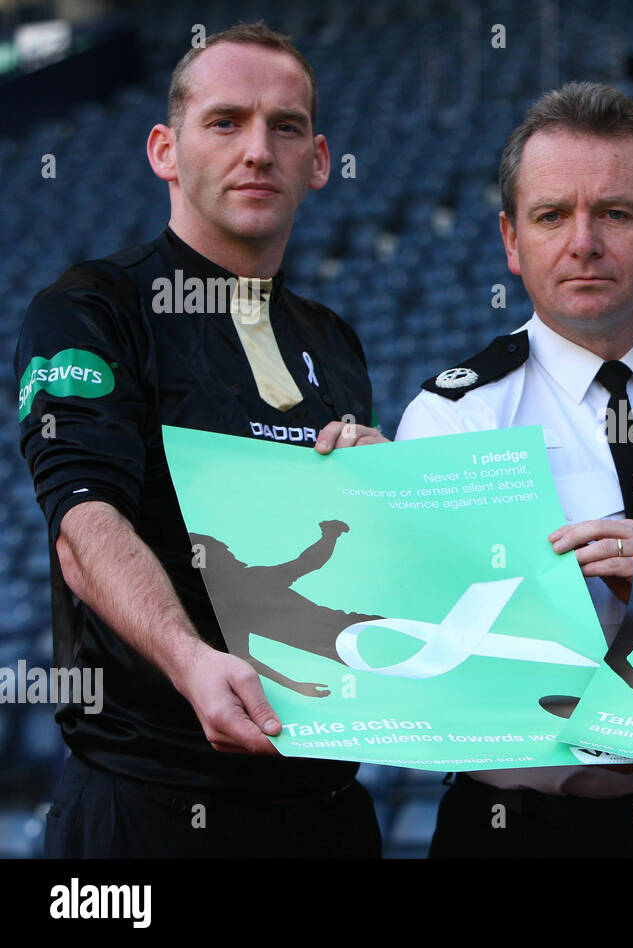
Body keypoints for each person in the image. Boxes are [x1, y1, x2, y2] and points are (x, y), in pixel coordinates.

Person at [15, 22, 387, 858]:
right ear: (165, 150)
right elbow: (84, 522)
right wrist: (189, 662)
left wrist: (383, 497)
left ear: (319, 161)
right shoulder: (88, 308)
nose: (258, 149)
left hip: (326, 803)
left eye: (285, 126)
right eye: (225, 122)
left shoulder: (333, 338)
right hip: (150, 809)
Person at [395, 81, 633, 858]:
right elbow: (429, 660)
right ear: (511, 240)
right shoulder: (452, 419)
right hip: (517, 838)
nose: (583, 241)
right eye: (551, 215)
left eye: (614, 212)